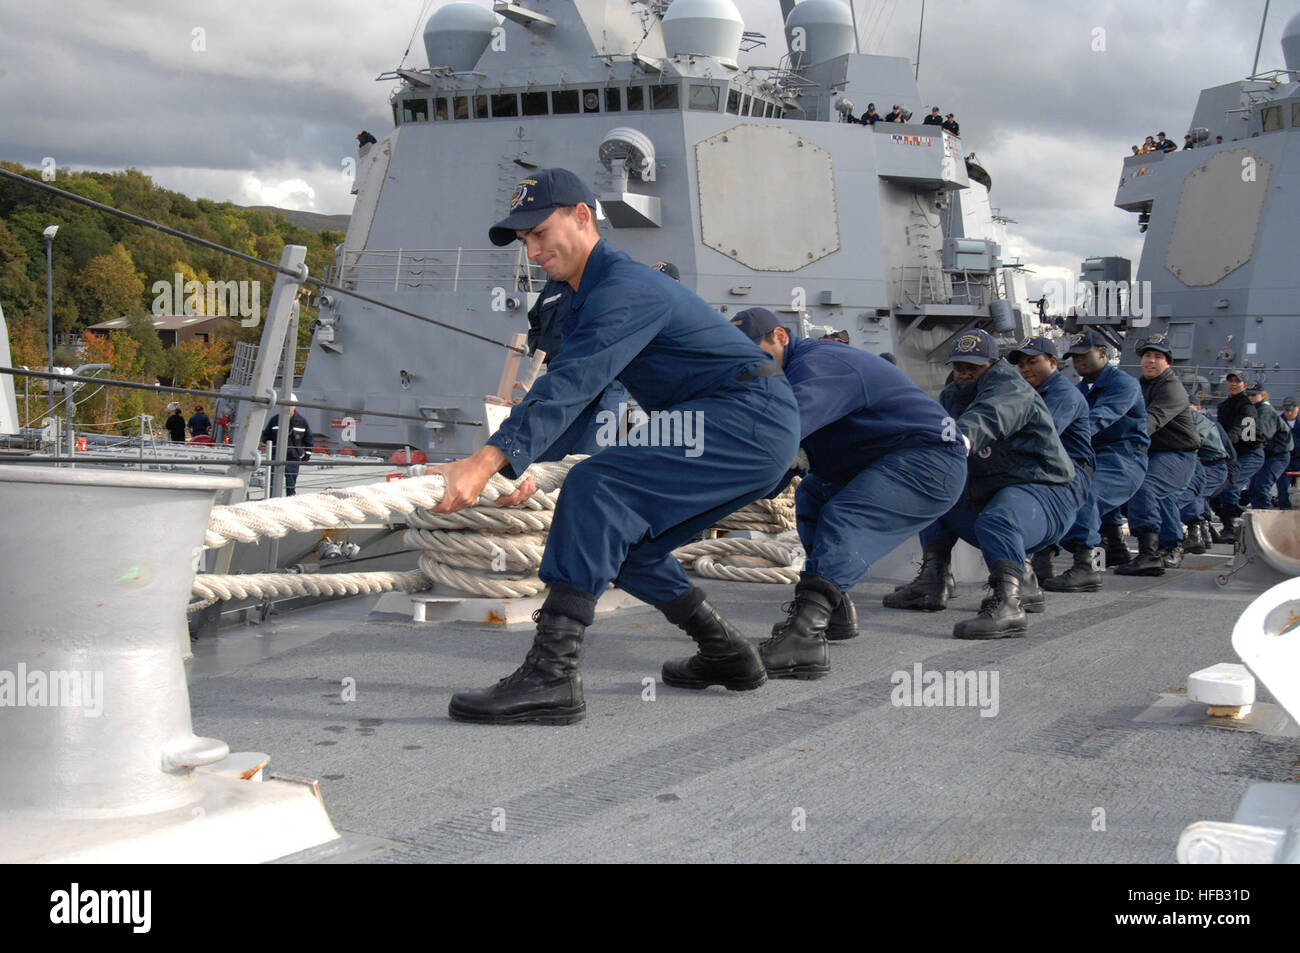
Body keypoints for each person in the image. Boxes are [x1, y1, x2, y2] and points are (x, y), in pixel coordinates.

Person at [439, 168, 800, 725]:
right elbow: (580, 394)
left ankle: (551, 676)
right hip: (738, 424)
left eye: (539, 233)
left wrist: (488, 461)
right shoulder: (582, 295)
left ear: (583, 217)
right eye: (524, 241)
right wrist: (520, 467)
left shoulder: (625, 288)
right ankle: (728, 652)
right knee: (628, 547)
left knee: (595, 487)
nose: (531, 251)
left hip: (744, 418)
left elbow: (571, 383)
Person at [730, 308, 966, 677]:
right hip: (881, 461)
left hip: (929, 463)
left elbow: (781, 434)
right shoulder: (784, 376)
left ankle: (804, 638)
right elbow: (777, 465)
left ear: (780, 336)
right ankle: (834, 614)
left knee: (845, 517)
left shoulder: (820, 364)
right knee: (812, 496)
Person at [884, 330, 1076, 640]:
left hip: (1045, 492)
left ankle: (1009, 603)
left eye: (973, 367)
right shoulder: (951, 396)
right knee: (934, 493)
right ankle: (934, 581)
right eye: (959, 366)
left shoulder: (1012, 389)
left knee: (999, 519)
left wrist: (960, 437)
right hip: (994, 490)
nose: (964, 374)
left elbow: (991, 416)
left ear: (993, 364)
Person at [1007, 337, 1096, 592]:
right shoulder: (1030, 393)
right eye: (1021, 364)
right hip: (1046, 466)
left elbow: (1043, 434)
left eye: (1033, 362)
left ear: (1053, 362)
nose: (1025, 369)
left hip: (1071, 471)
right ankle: (1040, 563)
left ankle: (1083, 566)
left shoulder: (1063, 393)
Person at [1058, 330, 1149, 573]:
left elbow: (1098, 420)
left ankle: (1086, 567)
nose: (1078, 362)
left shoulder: (1124, 384)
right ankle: (1116, 549)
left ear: (1103, 353)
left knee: (1086, 494)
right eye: (1074, 357)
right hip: (1095, 455)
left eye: (1083, 355)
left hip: (1125, 457)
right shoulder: (1081, 390)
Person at [1114, 335, 1199, 574]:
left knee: (1145, 488)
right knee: (1160, 496)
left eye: (1158, 357)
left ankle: (1149, 554)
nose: (1151, 361)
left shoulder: (1172, 388)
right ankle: (1170, 546)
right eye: (1147, 356)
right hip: (1154, 453)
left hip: (1178, 453)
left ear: (1168, 362)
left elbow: (1149, 423)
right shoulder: (1141, 385)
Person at [1177, 405, 1232, 553]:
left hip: (1213, 466)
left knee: (1192, 494)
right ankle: (1204, 533)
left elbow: (1192, 442)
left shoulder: (1196, 419)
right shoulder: (1189, 417)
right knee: (1194, 494)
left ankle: (1196, 532)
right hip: (1203, 464)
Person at [1214, 369, 1262, 538]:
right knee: (1214, 489)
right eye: (1230, 380)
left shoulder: (1247, 408)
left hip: (1250, 453)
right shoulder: (1225, 406)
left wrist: (1220, 445)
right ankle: (1228, 524)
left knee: (1232, 486)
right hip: (1232, 453)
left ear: (1244, 385)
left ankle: (1236, 526)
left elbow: (1237, 432)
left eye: (1237, 381)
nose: (1233, 384)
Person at [1247, 385, 1292, 509]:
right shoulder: (1252, 410)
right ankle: (1259, 514)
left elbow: (1263, 434)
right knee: (1254, 488)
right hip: (1264, 454)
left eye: (1253, 395)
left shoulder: (1265, 411)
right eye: (1248, 395)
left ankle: (1266, 517)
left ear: (1262, 395)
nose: (1250, 398)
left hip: (1277, 455)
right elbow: (1248, 435)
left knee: (1261, 486)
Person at [260, 395, 314, 496]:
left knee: (291, 484)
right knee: (273, 482)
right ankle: (272, 501)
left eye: (290, 405)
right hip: (276, 457)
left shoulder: (302, 422)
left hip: (293, 458)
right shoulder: (275, 420)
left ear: (294, 406)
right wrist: (272, 447)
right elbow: (266, 436)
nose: (288, 407)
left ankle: (289, 500)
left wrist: (307, 453)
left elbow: (308, 438)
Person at [1275, 397, 1300, 510]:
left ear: (1298, 408)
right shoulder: (1278, 422)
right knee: (1282, 488)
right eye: (1286, 410)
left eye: (1292, 410)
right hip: (1286, 459)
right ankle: (1284, 510)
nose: (1289, 413)